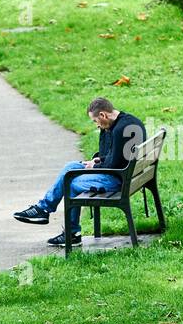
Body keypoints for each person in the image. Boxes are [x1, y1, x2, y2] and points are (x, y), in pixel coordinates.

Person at [14, 98, 147, 248]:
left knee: (70, 181)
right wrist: (97, 161)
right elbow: (109, 155)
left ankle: (70, 233)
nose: (96, 125)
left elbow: (113, 163)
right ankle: (43, 209)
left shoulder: (118, 129)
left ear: (103, 115)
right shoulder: (125, 122)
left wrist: (95, 165)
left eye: (95, 121)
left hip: (118, 179)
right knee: (70, 167)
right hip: (126, 173)